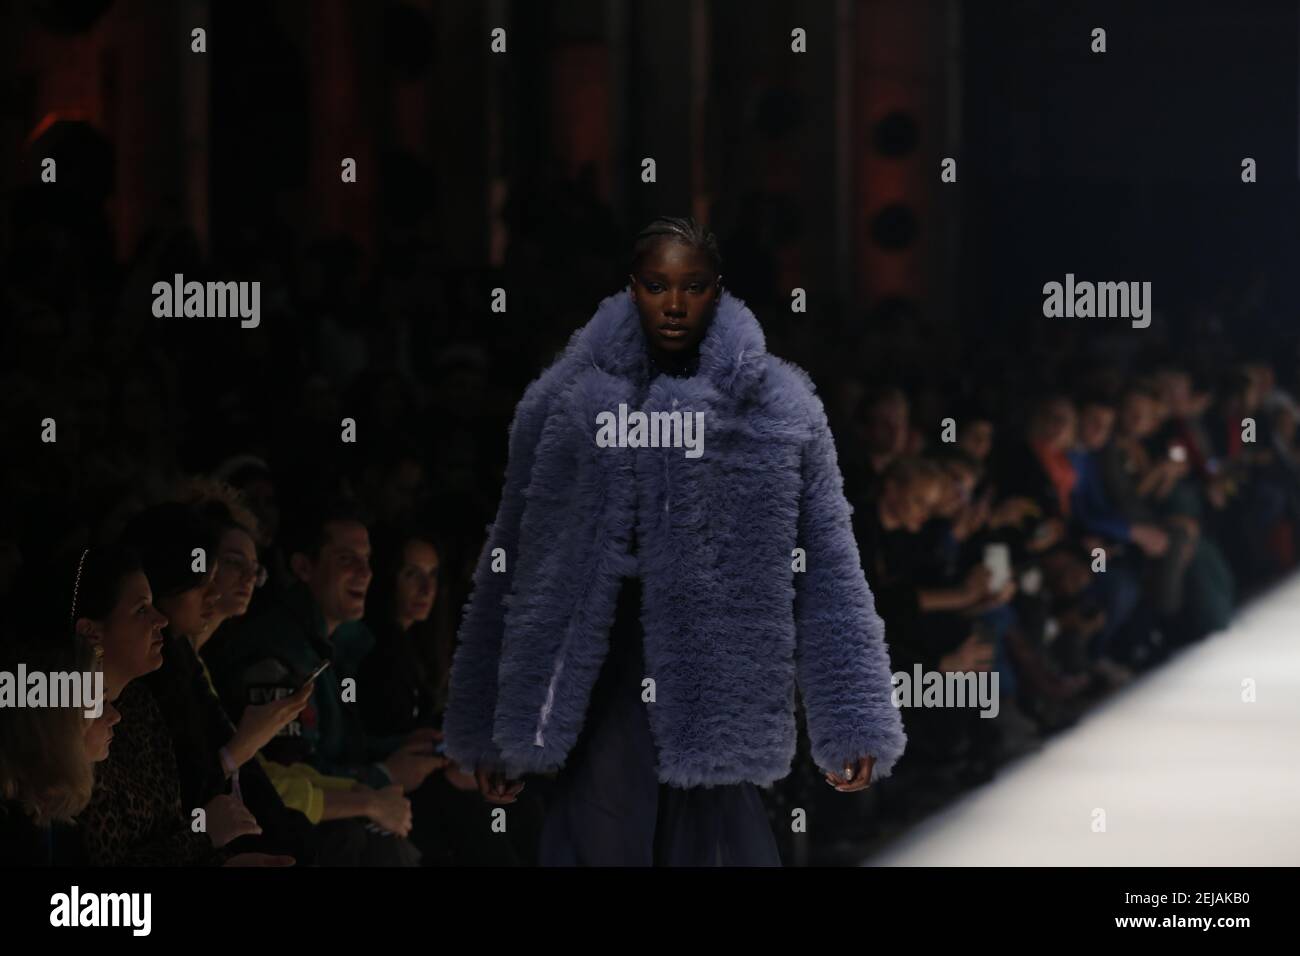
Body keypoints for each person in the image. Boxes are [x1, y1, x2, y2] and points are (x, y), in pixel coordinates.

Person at [443, 216, 906, 866]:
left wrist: (852, 714)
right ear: (632, 289)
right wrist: (495, 728)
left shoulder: (777, 408)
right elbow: (515, 564)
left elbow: (827, 564)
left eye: (692, 285)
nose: (674, 302)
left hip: (717, 677)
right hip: (604, 678)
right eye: (657, 284)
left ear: (717, 291)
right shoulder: (569, 405)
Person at [0, 632, 119, 865]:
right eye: (98, 704)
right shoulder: (15, 838)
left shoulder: (49, 810)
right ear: (56, 723)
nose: (115, 716)